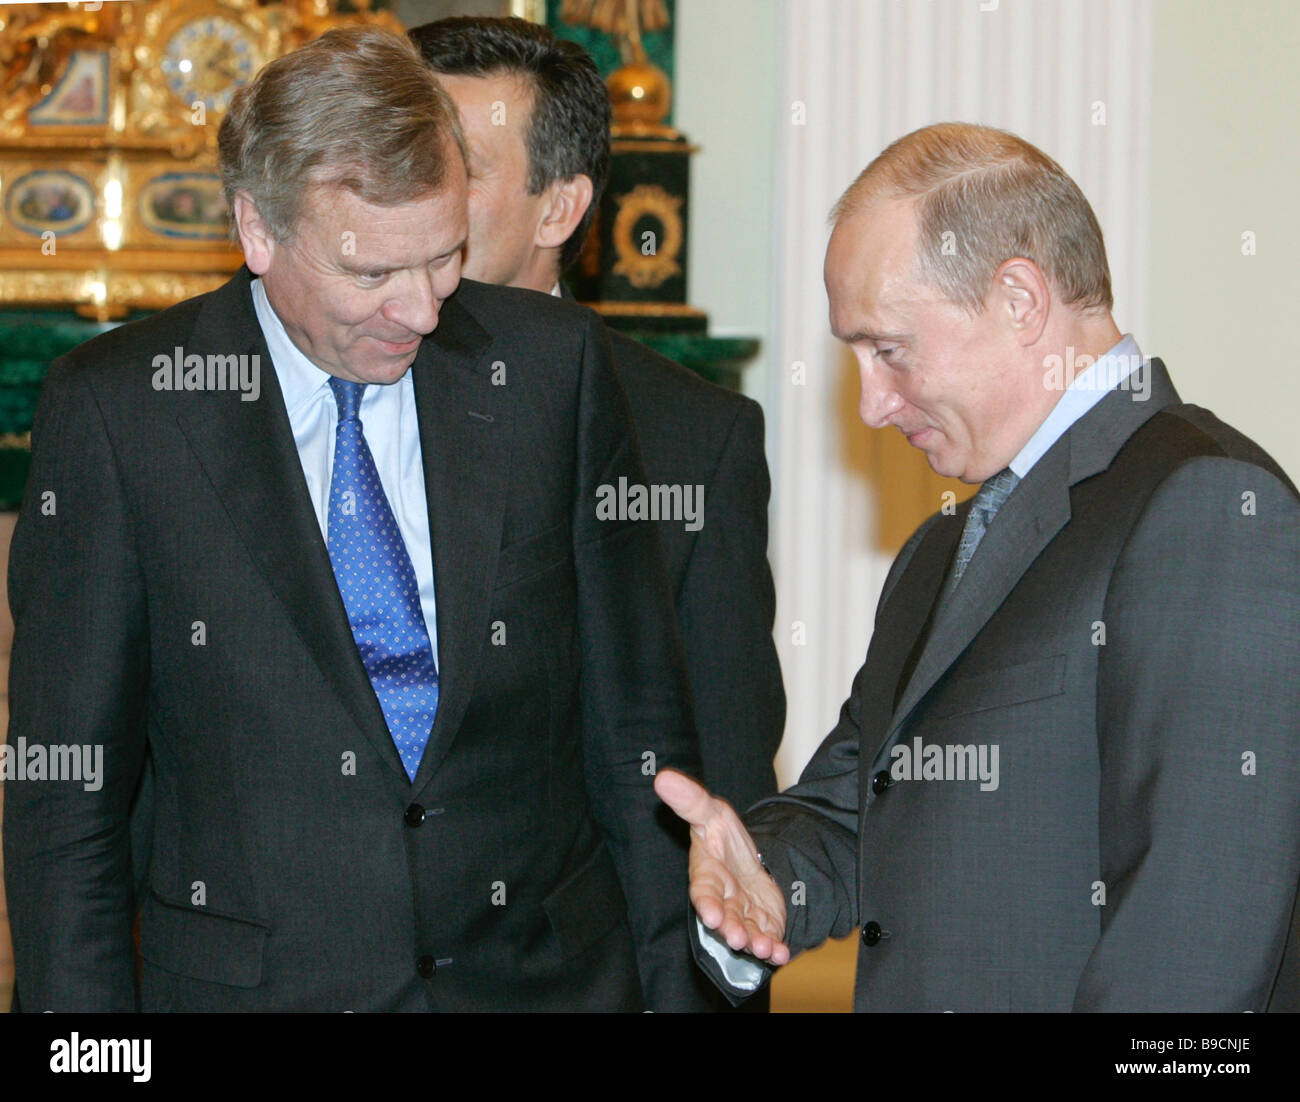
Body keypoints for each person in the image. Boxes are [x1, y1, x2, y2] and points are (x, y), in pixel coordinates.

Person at [3, 26, 704, 1013]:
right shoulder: (124, 410)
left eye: (444, 256)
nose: (418, 309)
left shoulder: (552, 372)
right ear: (257, 229)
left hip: (540, 983)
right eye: (371, 273)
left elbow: (640, 736)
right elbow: (66, 800)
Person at [655, 122, 1300, 1012]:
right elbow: (857, 805)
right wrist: (763, 876)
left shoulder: (1209, 504)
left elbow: (1199, 934)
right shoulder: (939, 551)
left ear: (1021, 301)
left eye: (887, 349)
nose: (873, 405)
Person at [409, 17, 785, 819]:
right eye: (396, 158)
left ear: (560, 209)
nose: (413, 196)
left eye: (456, 169)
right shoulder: (274, 389)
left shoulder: (691, 443)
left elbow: (720, 784)